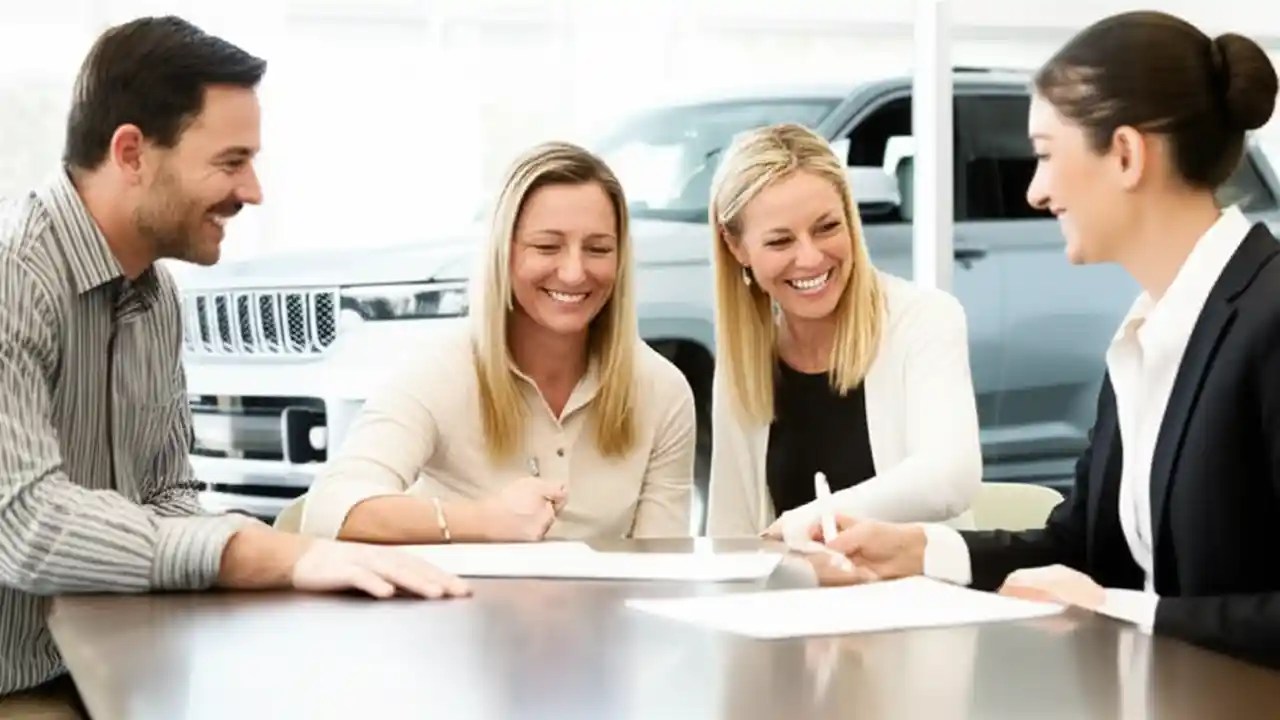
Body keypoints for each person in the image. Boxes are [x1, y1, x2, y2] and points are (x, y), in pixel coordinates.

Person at [0, 16, 469, 715]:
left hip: (117, 661)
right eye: (230, 161)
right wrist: (258, 553)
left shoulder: (156, 299)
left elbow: (168, 494)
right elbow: (26, 524)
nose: (252, 191)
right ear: (130, 152)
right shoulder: (14, 278)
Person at [804, 11, 1280, 669]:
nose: (1035, 190)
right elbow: (1084, 544)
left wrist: (1120, 610)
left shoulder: (1270, 316)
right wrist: (920, 551)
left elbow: (1110, 591)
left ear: (1125, 154)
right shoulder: (1153, 333)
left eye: (1047, 153)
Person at [299, 142, 696, 543]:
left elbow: (660, 565)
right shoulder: (441, 369)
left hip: (604, 608)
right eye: (546, 246)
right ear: (502, 253)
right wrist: (483, 522)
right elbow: (328, 511)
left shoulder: (662, 390)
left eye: (598, 249)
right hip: (458, 604)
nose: (575, 273)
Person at [703, 123, 982, 542]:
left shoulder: (924, 319)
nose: (811, 257)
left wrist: (811, 518)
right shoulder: (746, 359)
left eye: (827, 227)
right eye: (780, 241)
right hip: (793, 603)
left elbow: (951, 477)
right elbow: (731, 531)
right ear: (736, 247)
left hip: (918, 601)